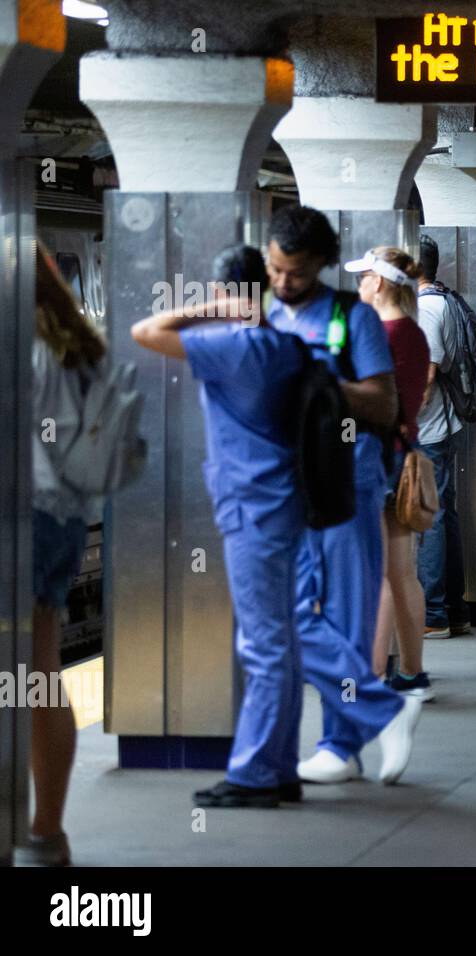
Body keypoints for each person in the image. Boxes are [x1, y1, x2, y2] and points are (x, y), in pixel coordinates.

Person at [130, 246, 312, 809]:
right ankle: (279, 766)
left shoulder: (230, 346)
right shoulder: (286, 343)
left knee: (261, 643)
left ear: (226, 292)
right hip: (285, 504)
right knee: (281, 637)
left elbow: (146, 330)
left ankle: (256, 772)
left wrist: (211, 309)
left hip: (251, 508)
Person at [265, 207, 422, 785]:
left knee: (348, 616)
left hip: (346, 483)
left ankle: (341, 743)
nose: (285, 284)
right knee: (286, 614)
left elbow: (384, 404)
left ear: (323, 267)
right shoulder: (267, 314)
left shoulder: (350, 319)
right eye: (277, 270)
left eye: (298, 273)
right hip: (286, 487)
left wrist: (320, 383)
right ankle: (380, 709)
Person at [19, 243, 109, 863]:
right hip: (63, 522)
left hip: (17, 518)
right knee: (41, 673)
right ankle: (47, 833)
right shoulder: (81, 347)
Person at [348, 247, 436, 702]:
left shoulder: (380, 333)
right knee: (402, 573)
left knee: (375, 575)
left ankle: (372, 676)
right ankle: (413, 674)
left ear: (378, 283)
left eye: (363, 276)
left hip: (375, 457)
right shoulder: (414, 333)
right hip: (405, 454)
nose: (359, 284)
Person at [414, 236, 472, 638]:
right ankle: (454, 608)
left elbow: (426, 375)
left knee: (430, 518)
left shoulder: (426, 310)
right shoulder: (445, 301)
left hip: (428, 430)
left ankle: (434, 613)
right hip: (443, 426)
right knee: (444, 515)